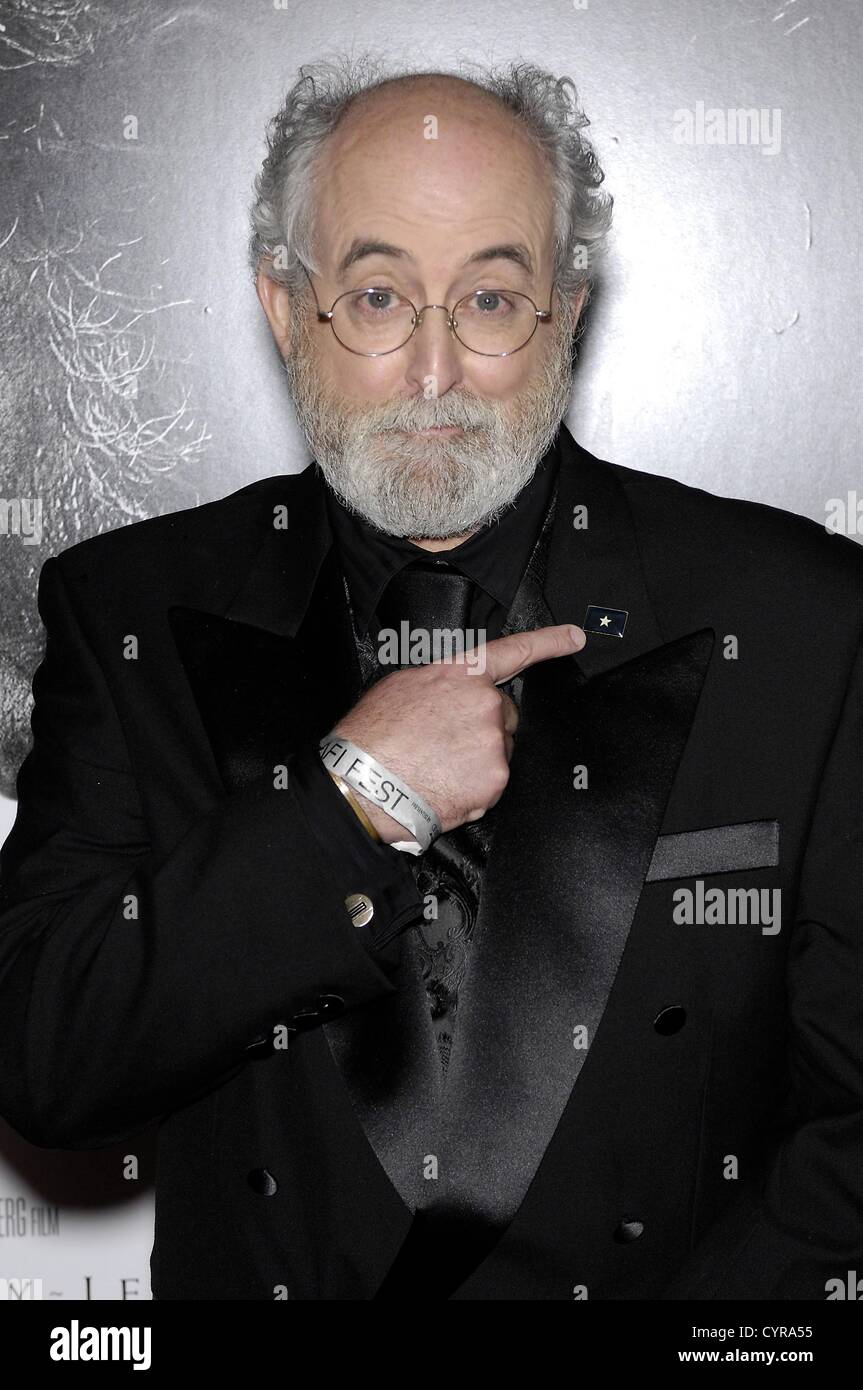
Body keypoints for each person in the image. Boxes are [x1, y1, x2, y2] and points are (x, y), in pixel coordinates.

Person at [1, 59, 861, 1301]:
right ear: (285, 308)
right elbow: (44, 1057)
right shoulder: (127, 609)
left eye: (492, 298)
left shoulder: (795, 618)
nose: (433, 373)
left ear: (565, 308)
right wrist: (344, 803)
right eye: (376, 294)